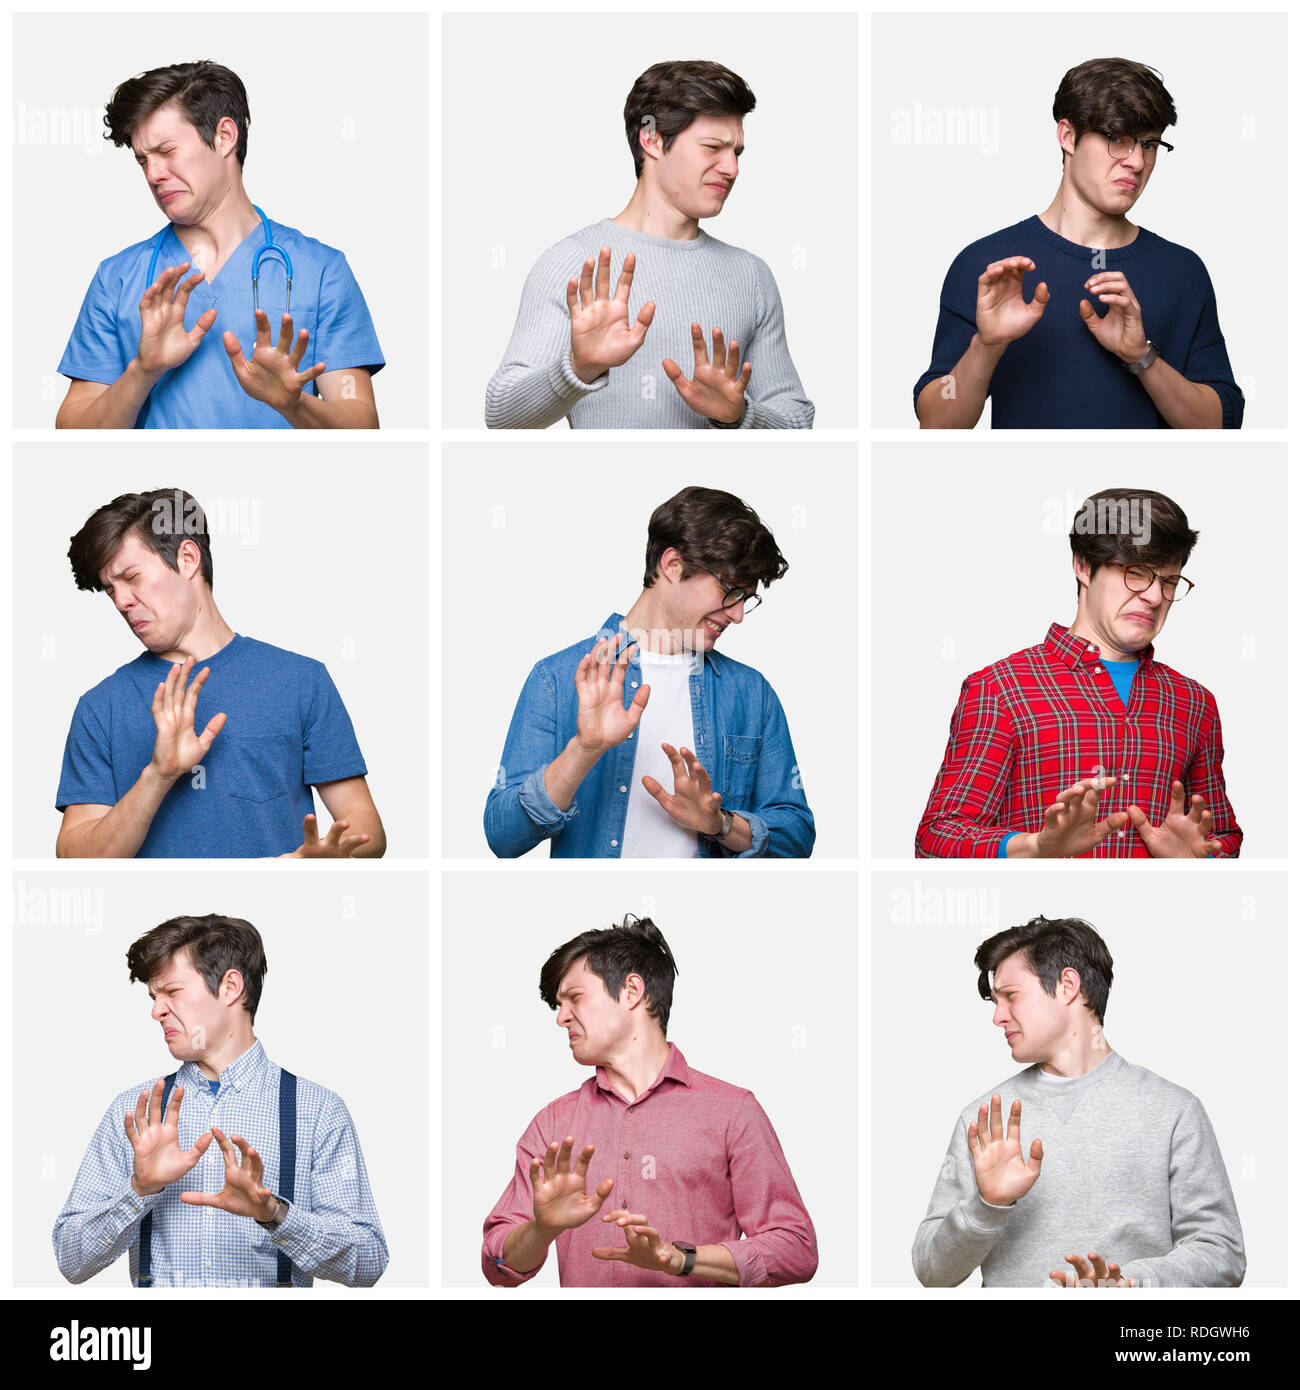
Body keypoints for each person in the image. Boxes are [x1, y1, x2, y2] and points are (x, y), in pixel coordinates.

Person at [482, 916, 817, 1287]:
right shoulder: (553, 1123)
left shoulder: (732, 1112)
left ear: (631, 990)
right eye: (558, 1005)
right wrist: (541, 1230)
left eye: (574, 997)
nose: (561, 1018)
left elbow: (797, 1249)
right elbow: (496, 1264)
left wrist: (680, 1259)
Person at [54, 915, 388, 1287]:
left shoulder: (317, 1110)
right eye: (153, 997)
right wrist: (140, 1190)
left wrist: (273, 1214)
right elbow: (71, 1260)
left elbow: (368, 1261)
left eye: (172, 992)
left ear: (230, 987)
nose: (156, 1011)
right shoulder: (135, 1111)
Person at [912, 916, 1246, 1288]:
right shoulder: (985, 1121)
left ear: (1068, 985)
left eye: (1011, 995)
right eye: (996, 1001)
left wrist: (1131, 1283)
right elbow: (931, 1272)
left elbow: (1222, 1253)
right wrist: (986, 1206)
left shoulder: (1175, 1112)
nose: (997, 1016)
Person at [484, 486, 814, 858]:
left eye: (746, 599)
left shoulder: (752, 694)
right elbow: (502, 837)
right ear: (672, 565)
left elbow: (797, 835)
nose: (737, 615)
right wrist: (582, 751)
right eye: (730, 591)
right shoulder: (557, 679)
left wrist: (721, 824)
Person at [914, 58, 1242, 429]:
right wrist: (986, 346)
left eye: (1149, 144)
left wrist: (1141, 357)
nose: (1136, 162)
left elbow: (1219, 427)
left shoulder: (1183, 271)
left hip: (1144, 484)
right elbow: (937, 427)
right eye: (1117, 139)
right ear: (1068, 136)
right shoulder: (988, 265)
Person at [57, 488, 385, 858]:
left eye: (131, 577)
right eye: (109, 590)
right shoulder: (101, 707)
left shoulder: (301, 681)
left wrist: (332, 857)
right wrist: (158, 776)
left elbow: (363, 821)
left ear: (187, 558)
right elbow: (75, 858)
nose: (121, 601)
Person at [485, 60, 813, 429]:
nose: (732, 168)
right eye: (712, 148)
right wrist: (580, 367)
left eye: (736, 152)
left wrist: (739, 415)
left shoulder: (751, 275)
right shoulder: (572, 262)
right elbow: (502, 416)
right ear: (652, 139)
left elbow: (797, 421)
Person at [916, 487, 1242, 858]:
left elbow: (1225, 838)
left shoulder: (1195, 702)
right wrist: (1034, 847)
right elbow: (936, 840)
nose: (1154, 596)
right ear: (1084, 566)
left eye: (1168, 581)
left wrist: (1201, 860)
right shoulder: (1001, 688)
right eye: (1136, 573)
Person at [56, 60, 382, 429]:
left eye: (166, 151)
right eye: (142, 160)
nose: (153, 174)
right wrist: (143, 371)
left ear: (225, 136)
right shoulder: (116, 278)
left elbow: (362, 425)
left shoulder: (322, 270)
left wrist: (293, 405)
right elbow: (72, 431)